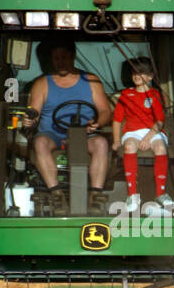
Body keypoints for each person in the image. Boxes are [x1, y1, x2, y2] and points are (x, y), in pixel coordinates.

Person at [25, 41, 113, 216]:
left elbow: (105, 111)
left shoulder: (91, 80)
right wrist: (29, 120)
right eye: (56, 58)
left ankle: (95, 196)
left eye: (64, 57)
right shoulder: (42, 83)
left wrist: (97, 123)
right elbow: (33, 112)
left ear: (73, 57)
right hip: (53, 133)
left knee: (101, 143)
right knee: (40, 142)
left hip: (84, 133)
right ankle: (57, 195)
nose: (60, 62)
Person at [112, 58, 172, 213]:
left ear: (150, 76)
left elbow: (159, 121)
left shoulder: (156, 94)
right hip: (132, 132)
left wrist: (148, 138)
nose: (137, 75)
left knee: (160, 147)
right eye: (134, 72)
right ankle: (132, 194)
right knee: (130, 145)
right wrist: (117, 140)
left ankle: (161, 193)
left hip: (153, 131)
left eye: (142, 72)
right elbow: (117, 120)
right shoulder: (126, 94)